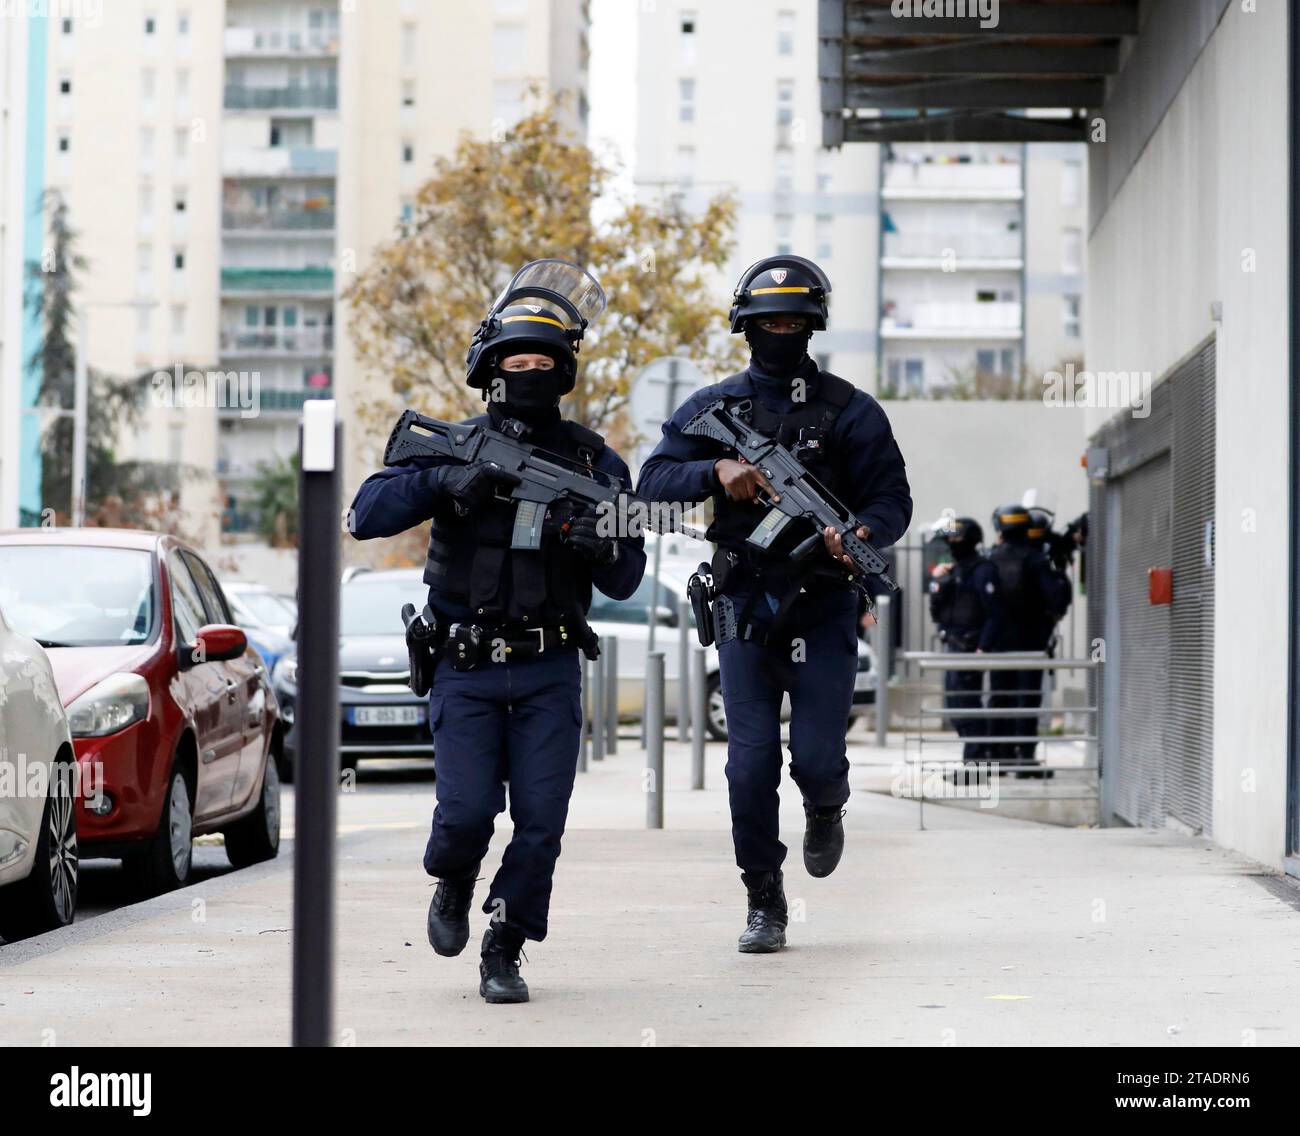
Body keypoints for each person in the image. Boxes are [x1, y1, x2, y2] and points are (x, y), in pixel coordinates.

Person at [348, 260, 646, 1004]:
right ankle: (452, 877)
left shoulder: (596, 463)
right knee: (467, 816)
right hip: (464, 665)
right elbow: (364, 514)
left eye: (545, 362)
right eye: (517, 361)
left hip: (548, 667)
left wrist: (597, 542)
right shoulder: (454, 446)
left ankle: (505, 946)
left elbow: (629, 575)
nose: (531, 373)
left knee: (540, 826)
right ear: (489, 368)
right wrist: (442, 483)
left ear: (566, 370)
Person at [636, 254, 912, 954]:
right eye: (769, 322)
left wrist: (859, 534)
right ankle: (764, 897)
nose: (782, 330)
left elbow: (893, 500)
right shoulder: (711, 409)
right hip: (743, 606)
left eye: (794, 320)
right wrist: (715, 469)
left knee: (816, 757)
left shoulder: (851, 411)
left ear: (813, 325)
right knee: (748, 764)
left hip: (822, 603)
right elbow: (653, 481)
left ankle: (826, 805)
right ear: (747, 327)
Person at [986, 503, 1071, 768]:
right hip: (1031, 640)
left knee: (1000, 695)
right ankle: (1024, 758)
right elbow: (1056, 596)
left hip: (998, 642)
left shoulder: (991, 557)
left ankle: (1000, 756)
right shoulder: (1037, 559)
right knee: (1027, 696)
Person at [927, 517, 1002, 766]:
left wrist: (984, 647)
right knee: (956, 707)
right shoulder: (952, 570)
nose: (951, 542)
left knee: (968, 706)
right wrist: (938, 582)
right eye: (949, 538)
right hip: (952, 645)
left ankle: (976, 762)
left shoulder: (983, 570)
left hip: (971, 648)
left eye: (956, 537)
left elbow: (994, 613)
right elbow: (937, 613)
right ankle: (975, 759)